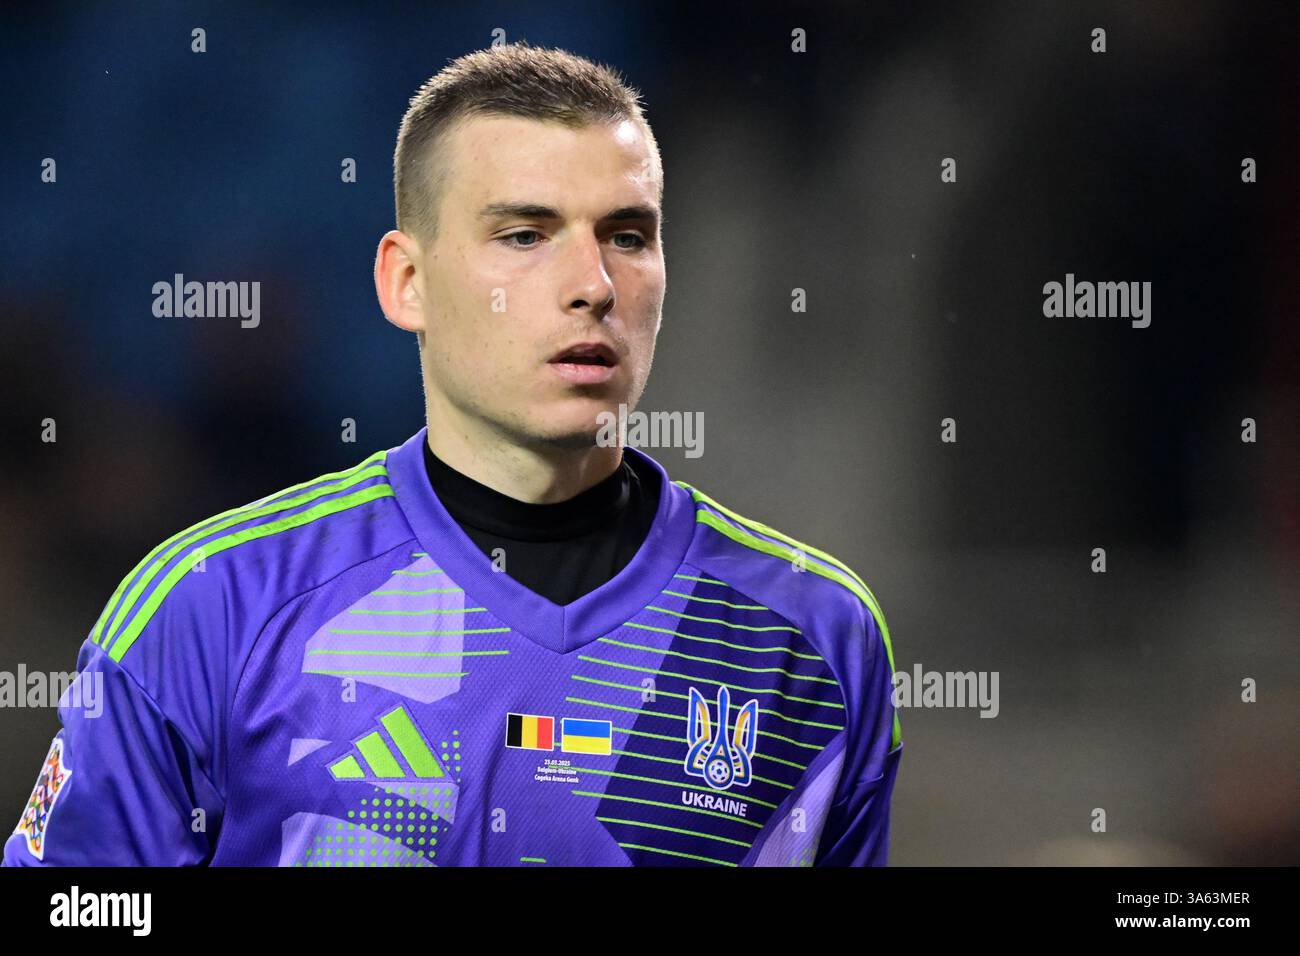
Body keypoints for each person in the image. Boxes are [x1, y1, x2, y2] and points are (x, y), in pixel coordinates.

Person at [5, 42, 901, 867]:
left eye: (627, 235)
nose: (593, 285)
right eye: (525, 234)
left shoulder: (815, 639)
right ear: (408, 282)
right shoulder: (212, 609)